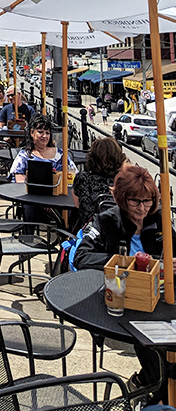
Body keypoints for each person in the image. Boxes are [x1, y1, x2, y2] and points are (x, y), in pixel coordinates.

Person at [75, 166, 176, 398]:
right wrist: (124, 263)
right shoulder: (106, 220)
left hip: (159, 300)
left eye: (148, 201)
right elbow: (82, 256)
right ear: (122, 199)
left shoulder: (160, 220)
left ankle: (148, 385)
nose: (142, 208)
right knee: (157, 353)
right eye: (135, 201)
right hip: (122, 304)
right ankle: (154, 391)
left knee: (168, 356)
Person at [72, 136, 126, 227]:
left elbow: (77, 205)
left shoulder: (83, 178)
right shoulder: (124, 182)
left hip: (89, 231)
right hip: (118, 231)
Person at [9, 114, 78, 183]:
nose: (44, 136)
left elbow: (74, 174)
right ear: (32, 133)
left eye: (47, 133)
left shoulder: (61, 155)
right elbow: (20, 182)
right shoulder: (24, 156)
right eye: (40, 132)